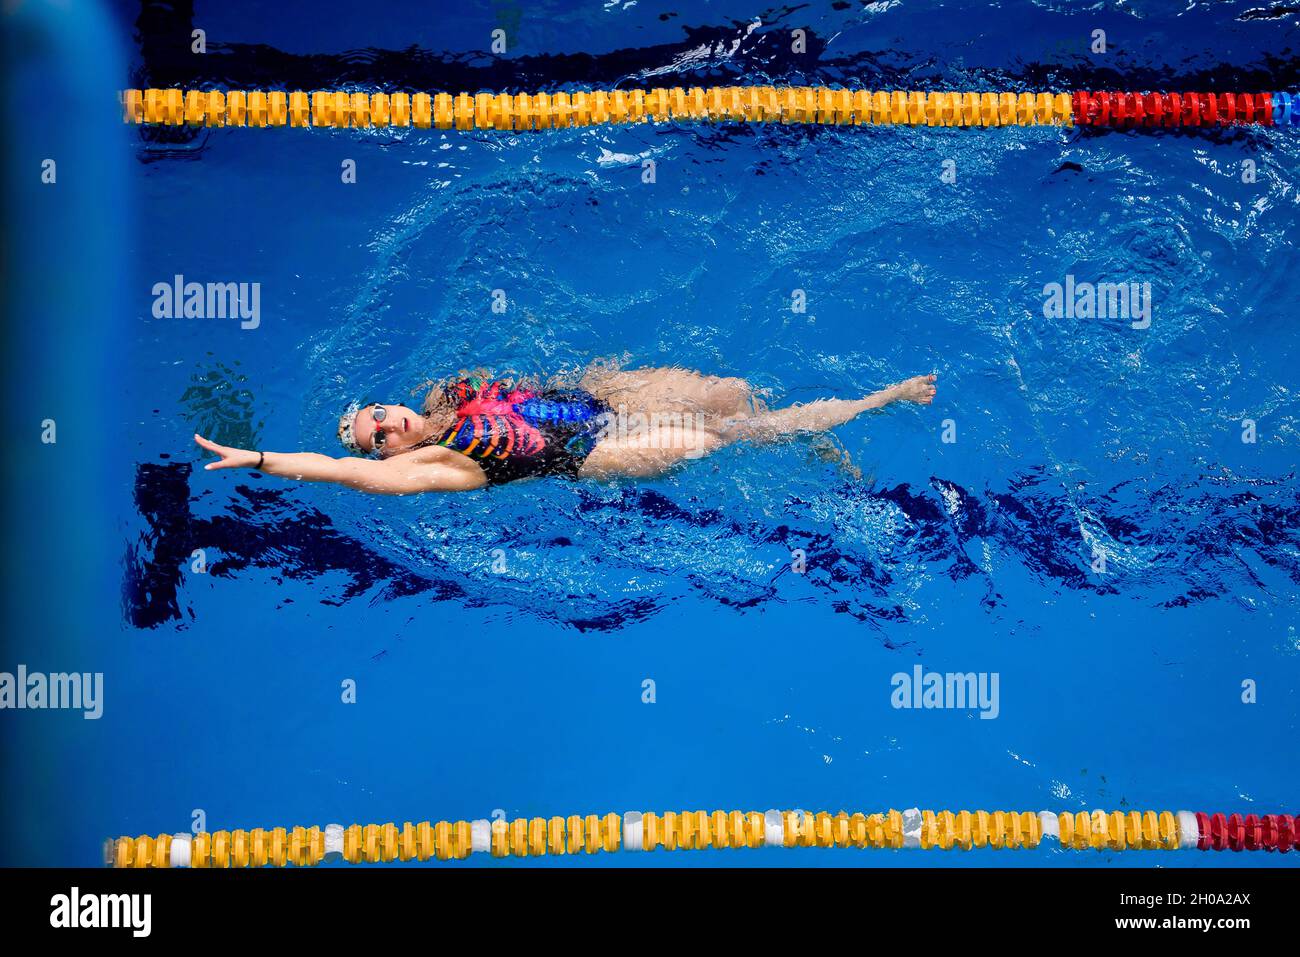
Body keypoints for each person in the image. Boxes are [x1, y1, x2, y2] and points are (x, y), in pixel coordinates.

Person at [193, 366, 938, 494]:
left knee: (732, 393)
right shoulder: (437, 466)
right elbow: (343, 471)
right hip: (597, 453)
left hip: (597, 401)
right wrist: (258, 457)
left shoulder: (443, 396)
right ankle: (880, 401)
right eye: (375, 435)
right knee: (731, 436)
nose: (386, 427)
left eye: (378, 414)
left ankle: (802, 435)